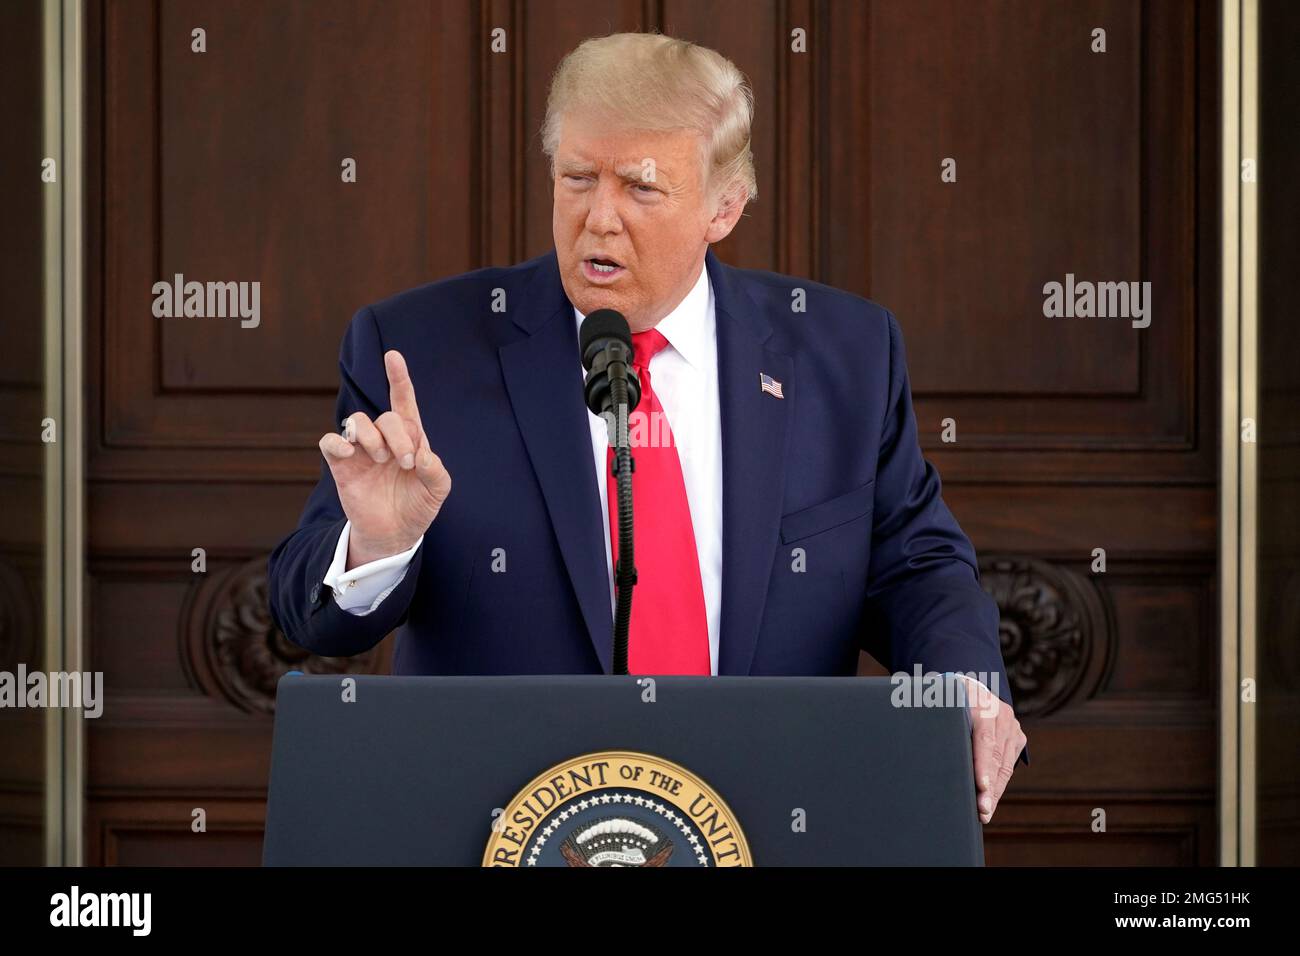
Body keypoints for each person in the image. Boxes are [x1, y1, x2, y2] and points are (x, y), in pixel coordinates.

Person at [268, 32, 1027, 823]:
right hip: (505, 826)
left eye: (641, 188)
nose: (599, 219)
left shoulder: (843, 353)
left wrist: (959, 689)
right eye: (577, 179)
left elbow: (916, 565)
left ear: (723, 207)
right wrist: (380, 549)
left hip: (771, 816)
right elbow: (307, 614)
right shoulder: (420, 350)